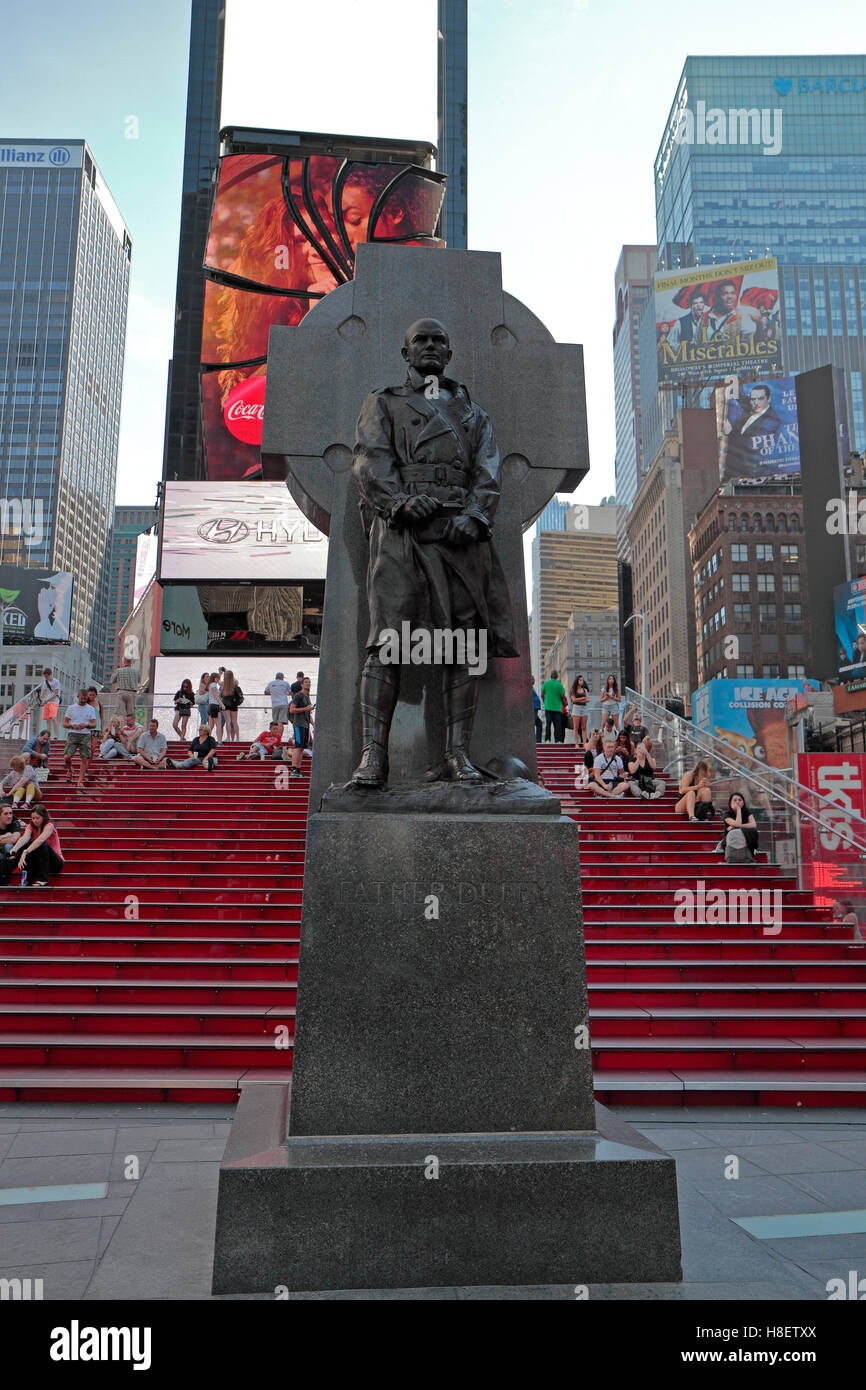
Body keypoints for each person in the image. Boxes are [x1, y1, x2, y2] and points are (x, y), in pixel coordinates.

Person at [349, 318, 517, 787]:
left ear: (449, 353)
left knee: (463, 645)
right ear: (406, 355)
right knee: (387, 643)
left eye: (438, 341)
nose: (428, 347)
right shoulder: (383, 403)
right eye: (419, 340)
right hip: (402, 534)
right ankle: (372, 757)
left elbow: (489, 469)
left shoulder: (473, 414)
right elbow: (369, 459)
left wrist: (478, 515)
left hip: (459, 536)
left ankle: (457, 755)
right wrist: (399, 500)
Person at [7, 804, 64, 887]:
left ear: (44, 817)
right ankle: (26, 880)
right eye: (33, 818)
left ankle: (43, 879)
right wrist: (14, 849)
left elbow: (40, 840)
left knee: (41, 845)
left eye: (37, 818)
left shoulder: (49, 826)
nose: (35, 820)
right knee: (27, 845)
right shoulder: (31, 827)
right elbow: (24, 838)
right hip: (40, 863)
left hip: (55, 863)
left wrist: (25, 852)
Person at [62, 689, 97, 788]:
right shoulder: (71, 708)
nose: (83, 700)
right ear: (78, 696)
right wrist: (73, 726)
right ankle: (70, 769)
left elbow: (94, 724)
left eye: (85, 699)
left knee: (85, 758)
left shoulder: (90, 709)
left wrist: (86, 725)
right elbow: (64, 723)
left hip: (85, 734)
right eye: (82, 698)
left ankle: (80, 780)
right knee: (66, 757)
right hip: (73, 733)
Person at [719, 792, 758, 861]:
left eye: (740, 800)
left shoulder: (747, 812)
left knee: (753, 831)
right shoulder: (727, 814)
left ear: (743, 803)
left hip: (745, 839)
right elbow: (737, 824)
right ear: (730, 803)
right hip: (730, 842)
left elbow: (753, 825)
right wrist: (739, 810)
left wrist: (737, 827)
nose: (737, 802)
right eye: (735, 800)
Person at [288, 676, 314, 779]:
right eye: (306, 682)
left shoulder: (307, 697)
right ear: (302, 684)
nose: (308, 684)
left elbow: (308, 712)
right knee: (298, 747)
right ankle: (294, 769)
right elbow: (291, 710)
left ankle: (298, 769)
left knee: (302, 747)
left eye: (309, 682)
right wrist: (305, 708)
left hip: (305, 725)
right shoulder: (298, 695)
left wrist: (313, 723)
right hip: (298, 724)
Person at [541, 671, 567, 744]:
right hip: (557, 708)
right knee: (557, 725)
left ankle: (547, 740)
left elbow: (542, 694)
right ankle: (558, 740)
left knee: (548, 724)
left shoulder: (545, 684)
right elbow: (562, 696)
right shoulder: (560, 685)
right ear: (557, 676)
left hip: (548, 707)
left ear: (550, 676)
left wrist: (545, 702)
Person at [0, 803, 23, 883]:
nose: (9, 816)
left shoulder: (14, 821)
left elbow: (14, 839)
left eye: (10, 813)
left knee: (9, 846)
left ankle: (6, 878)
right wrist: (5, 836)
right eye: (5, 813)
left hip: (8, 854)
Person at [36, 667, 61, 738]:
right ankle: (48, 735)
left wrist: (45, 701)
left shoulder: (56, 682)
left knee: (53, 718)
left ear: (50, 674)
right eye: (45, 676)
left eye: (47, 676)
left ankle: (56, 735)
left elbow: (55, 693)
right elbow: (44, 692)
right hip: (47, 701)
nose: (46, 677)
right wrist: (40, 697)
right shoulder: (45, 682)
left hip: (54, 701)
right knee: (48, 720)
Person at [265, 672, 292, 737]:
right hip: (284, 704)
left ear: (276, 677)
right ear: (282, 677)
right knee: (280, 723)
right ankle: (279, 738)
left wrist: (273, 693)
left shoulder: (270, 683)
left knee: (275, 723)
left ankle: (275, 737)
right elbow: (291, 692)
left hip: (275, 705)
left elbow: (266, 692)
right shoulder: (285, 683)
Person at [220, 669, 244, 742]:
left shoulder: (223, 685)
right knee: (235, 721)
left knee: (228, 721)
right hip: (233, 704)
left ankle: (228, 737)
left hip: (225, 705)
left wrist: (220, 673)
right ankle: (237, 738)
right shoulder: (235, 684)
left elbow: (221, 695)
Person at [86, 686, 104, 764]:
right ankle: (85, 765)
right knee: (86, 749)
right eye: (90, 695)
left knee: (93, 749)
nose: (91, 696)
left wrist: (102, 730)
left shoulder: (99, 704)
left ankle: (88, 765)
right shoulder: (85, 704)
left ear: (96, 695)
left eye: (93, 695)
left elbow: (102, 717)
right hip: (87, 728)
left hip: (97, 728)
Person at [570, 675, 589, 748]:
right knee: (576, 727)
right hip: (576, 708)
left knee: (584, 727)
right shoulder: (573, 690)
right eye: (580, 680)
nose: (582, 681)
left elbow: (587, 699)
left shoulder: (585, 690)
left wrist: (580, 699)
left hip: (584, 708)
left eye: (582, 680)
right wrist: (582, 698)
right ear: (577, 681)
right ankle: (576, 743)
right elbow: (573, 700)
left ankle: (584, 743)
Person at [207, 672, 226, 742]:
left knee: (211, 725)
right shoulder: (213, 685)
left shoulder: (211, 685)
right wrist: (222, 704)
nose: (219, 680)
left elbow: (215, 695)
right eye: (218, 678)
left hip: (211, 706)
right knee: (218, 725)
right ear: (215, 678)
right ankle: (219, 741)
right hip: (215, 706)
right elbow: (216, 696)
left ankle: (207, 740)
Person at [532, 677, 542, 743]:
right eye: (533, 679)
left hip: (535, 708)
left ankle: (538, 740)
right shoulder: (528, 688)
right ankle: (535, 740)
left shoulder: (532, 687)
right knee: (533, 723)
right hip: (534, 708)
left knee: (539, 723)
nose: (534, 681)